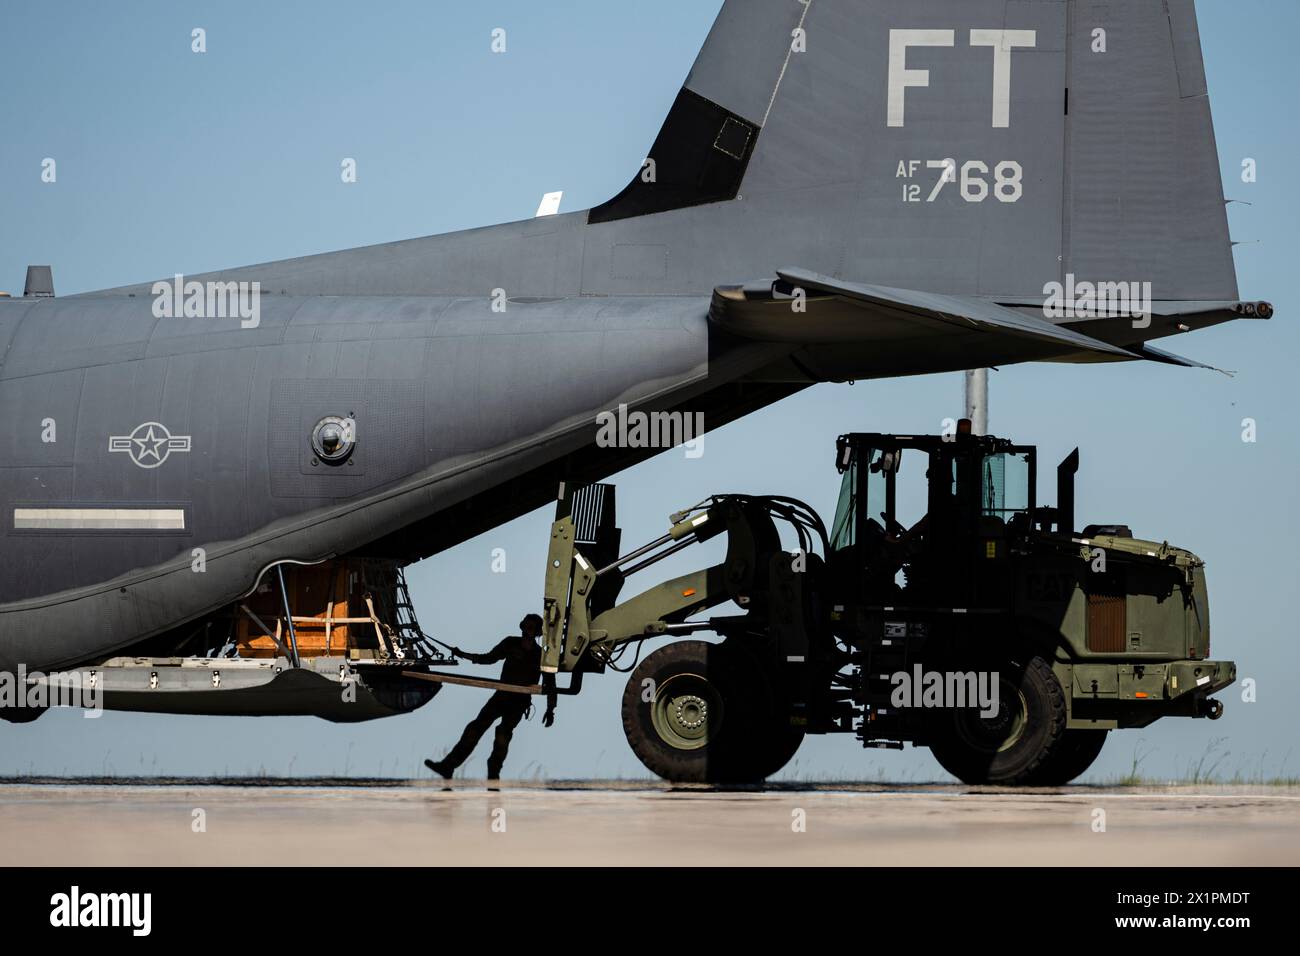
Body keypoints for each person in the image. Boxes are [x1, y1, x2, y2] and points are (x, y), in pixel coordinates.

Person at [424, 613, 557, 781]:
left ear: (538, 632)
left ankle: (493, 773)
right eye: (526, 626)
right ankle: (448, 766)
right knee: (475, 728)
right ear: (522, 626)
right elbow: (488, 658)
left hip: (519, 702)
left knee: (503, 735)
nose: (527, 630)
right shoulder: (511, 643)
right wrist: (463, 655)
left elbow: (550, 683)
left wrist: (551, 709)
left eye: (532, 627)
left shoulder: (541, 655)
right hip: (501, 697)